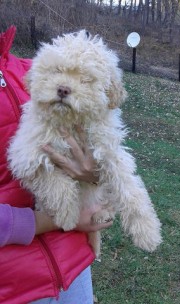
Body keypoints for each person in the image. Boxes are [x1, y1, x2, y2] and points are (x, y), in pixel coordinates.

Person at [0, 26, 112, 304]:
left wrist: (95, 178)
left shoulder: (35, 68)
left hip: (72, 267)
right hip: (14, 286)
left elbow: (92, 140)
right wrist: (64, 220)